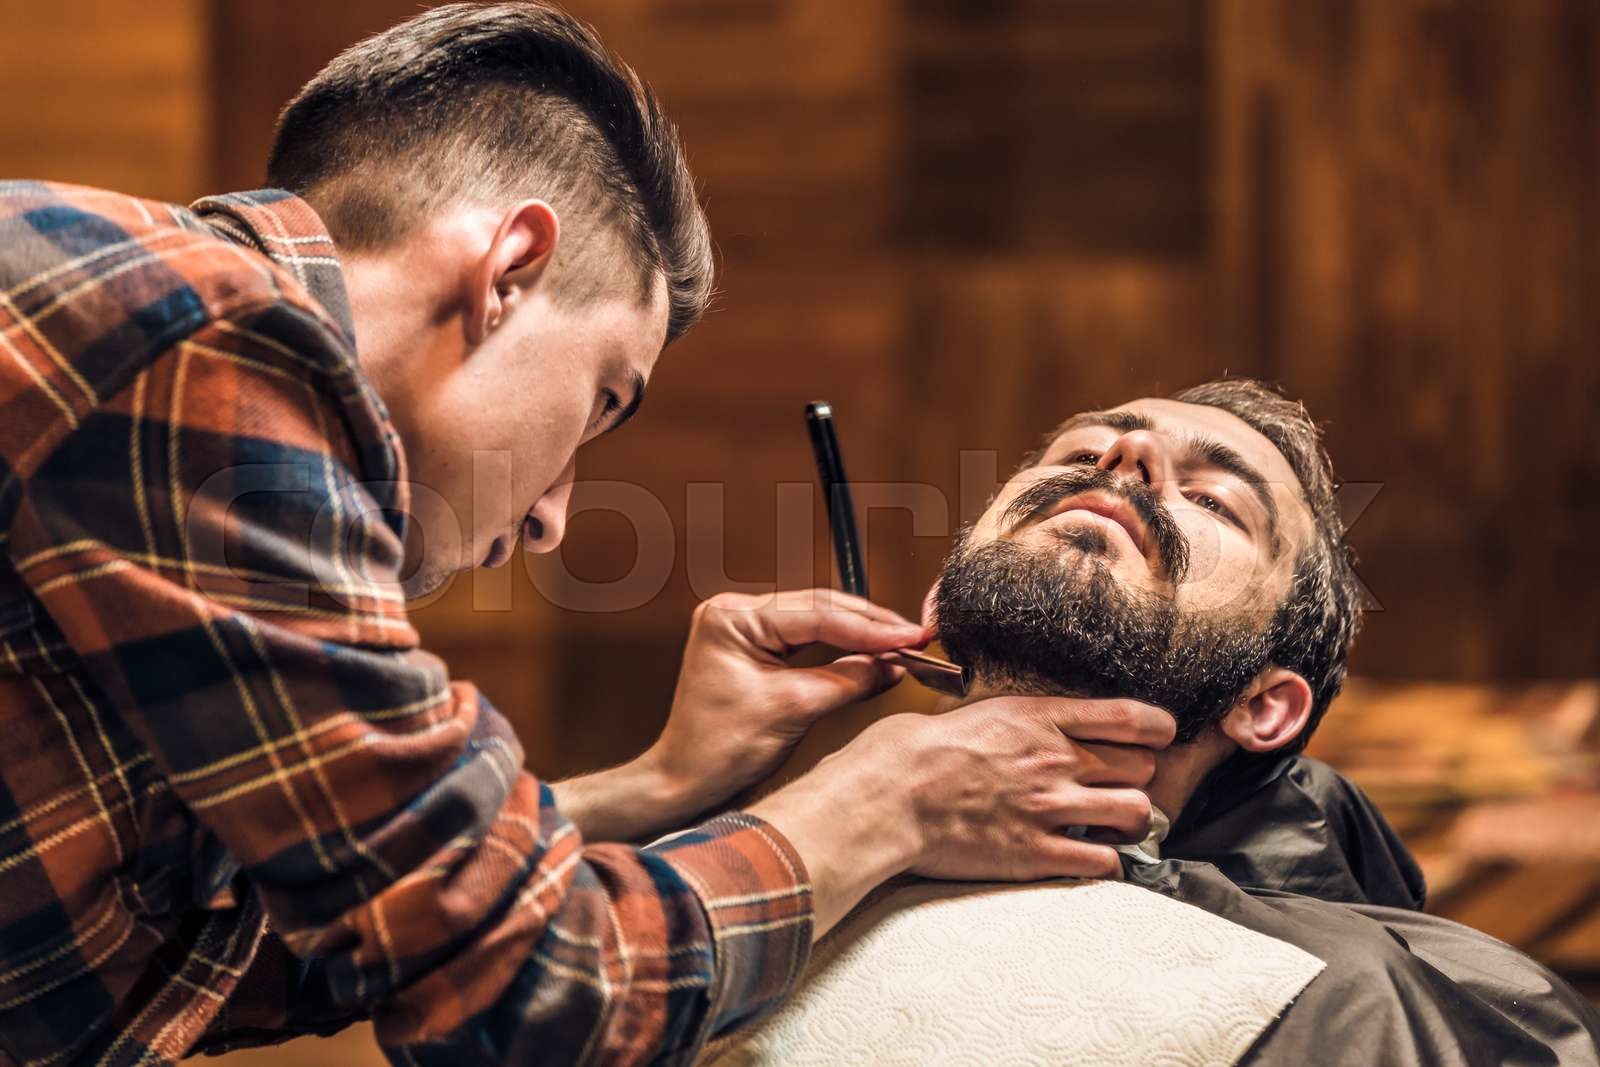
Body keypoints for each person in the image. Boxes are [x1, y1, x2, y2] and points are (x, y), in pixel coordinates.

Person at [0, 5, 1179, 1065]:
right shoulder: (189, 328)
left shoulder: (147, 327)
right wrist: (881, 800)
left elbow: (244, 943)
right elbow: (526, 992)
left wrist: (661, 783)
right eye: (606, 399)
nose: (559, 510)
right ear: (510, 267)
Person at [709, 378, 1600, 1065]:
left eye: (1216, 501)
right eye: (1077, 454)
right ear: (939, 603)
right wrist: (664, 788)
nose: (1123, 452)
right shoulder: (665, 861)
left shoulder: (1356, 1001)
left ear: (1265, 704)